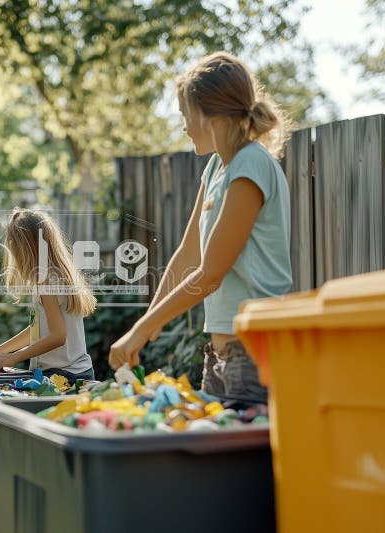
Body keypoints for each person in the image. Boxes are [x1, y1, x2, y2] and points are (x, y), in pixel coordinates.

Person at [108, 52, 293, 404]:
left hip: (255, 354)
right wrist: (147, 325)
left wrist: (140, 330)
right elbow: (187, 254)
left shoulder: (251, 164)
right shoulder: (215, 169)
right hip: (221, 356)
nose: (183, 126)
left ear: (210, 116)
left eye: (185, 115)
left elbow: (210, 274)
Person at [0, 208, 97, 382]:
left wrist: (14, 358)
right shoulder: (52, 275)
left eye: (13, 244)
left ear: (27, 246)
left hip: (65, 376)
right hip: (77, 373)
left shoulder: (47, 280)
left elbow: (58, 336)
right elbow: (37, 331)